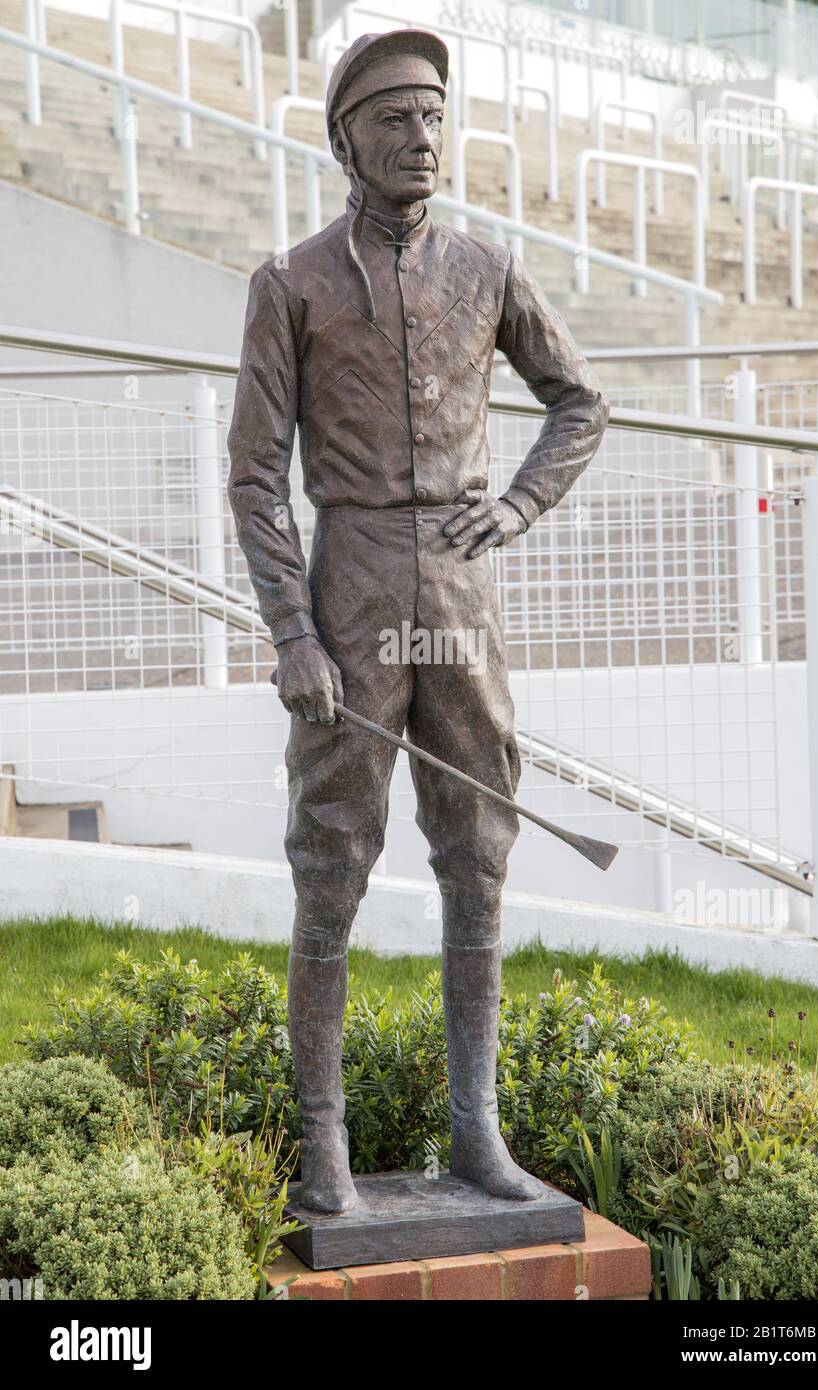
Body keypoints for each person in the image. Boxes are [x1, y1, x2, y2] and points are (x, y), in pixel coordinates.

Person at [228, 28, 608, 1212]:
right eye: (394, 118)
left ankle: (475, 1133)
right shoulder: (290, 282)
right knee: (330, 856)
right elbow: (254, 475)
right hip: (348, 589)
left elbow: (579, 403)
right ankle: (325, 1145)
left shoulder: (487, 269)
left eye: (434, 115)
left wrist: (517, 505)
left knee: (477, 852)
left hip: (459, 587)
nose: (421, 138)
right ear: (346, 141)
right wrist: (292, 631)